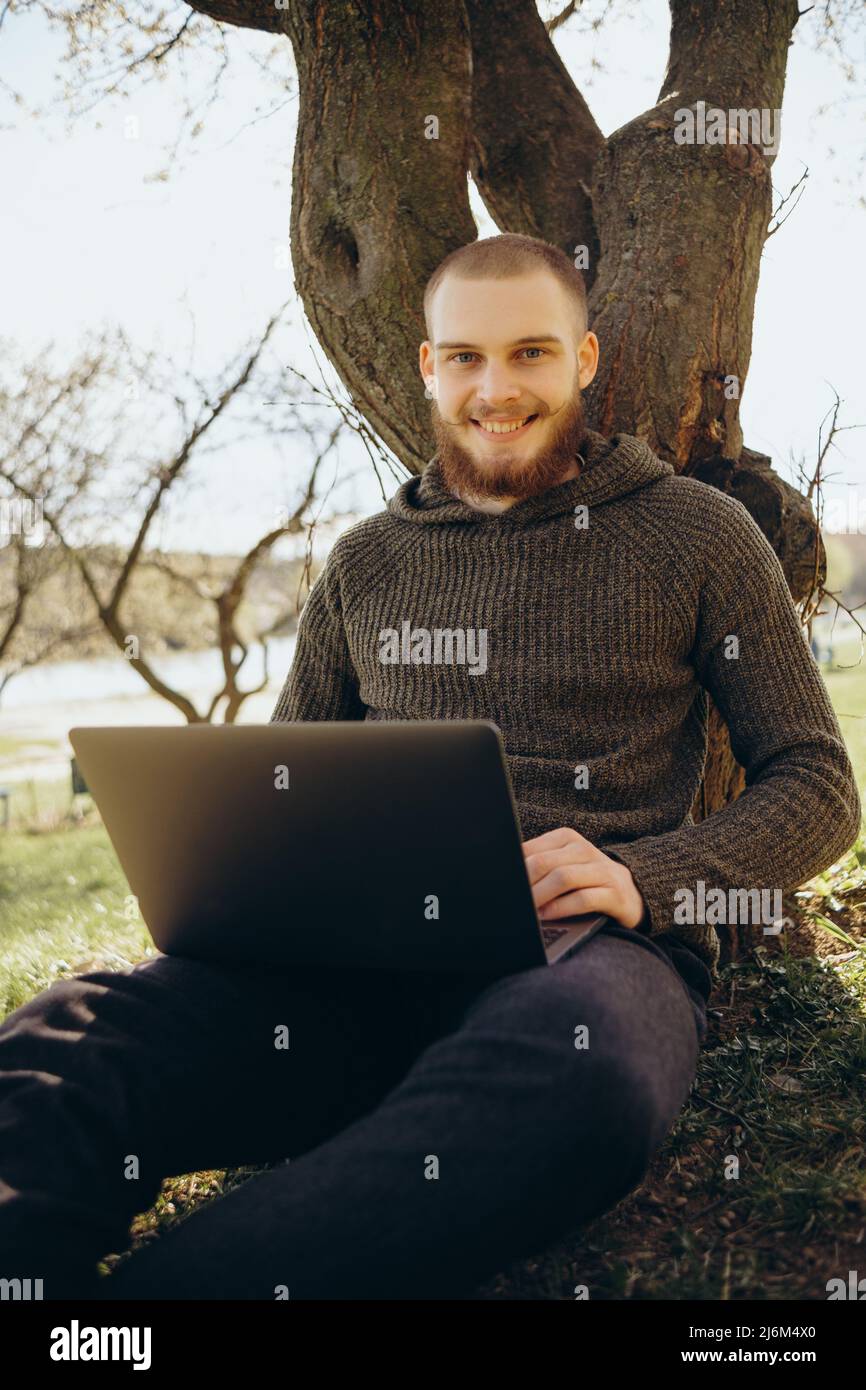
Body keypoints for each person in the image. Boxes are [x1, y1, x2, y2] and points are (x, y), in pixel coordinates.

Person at [0, 233, 859, 1301]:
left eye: (530, 352)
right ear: (427, 367)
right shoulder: (365, 560)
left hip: (579, 964)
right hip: (341, 982)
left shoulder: (696, 534)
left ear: (585, 359)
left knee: (581, 1083)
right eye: (464, 358)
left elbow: (817, 782)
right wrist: (229, 892)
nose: (495, 390)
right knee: (64, 1039)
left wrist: (645, 876)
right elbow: (281, 785)